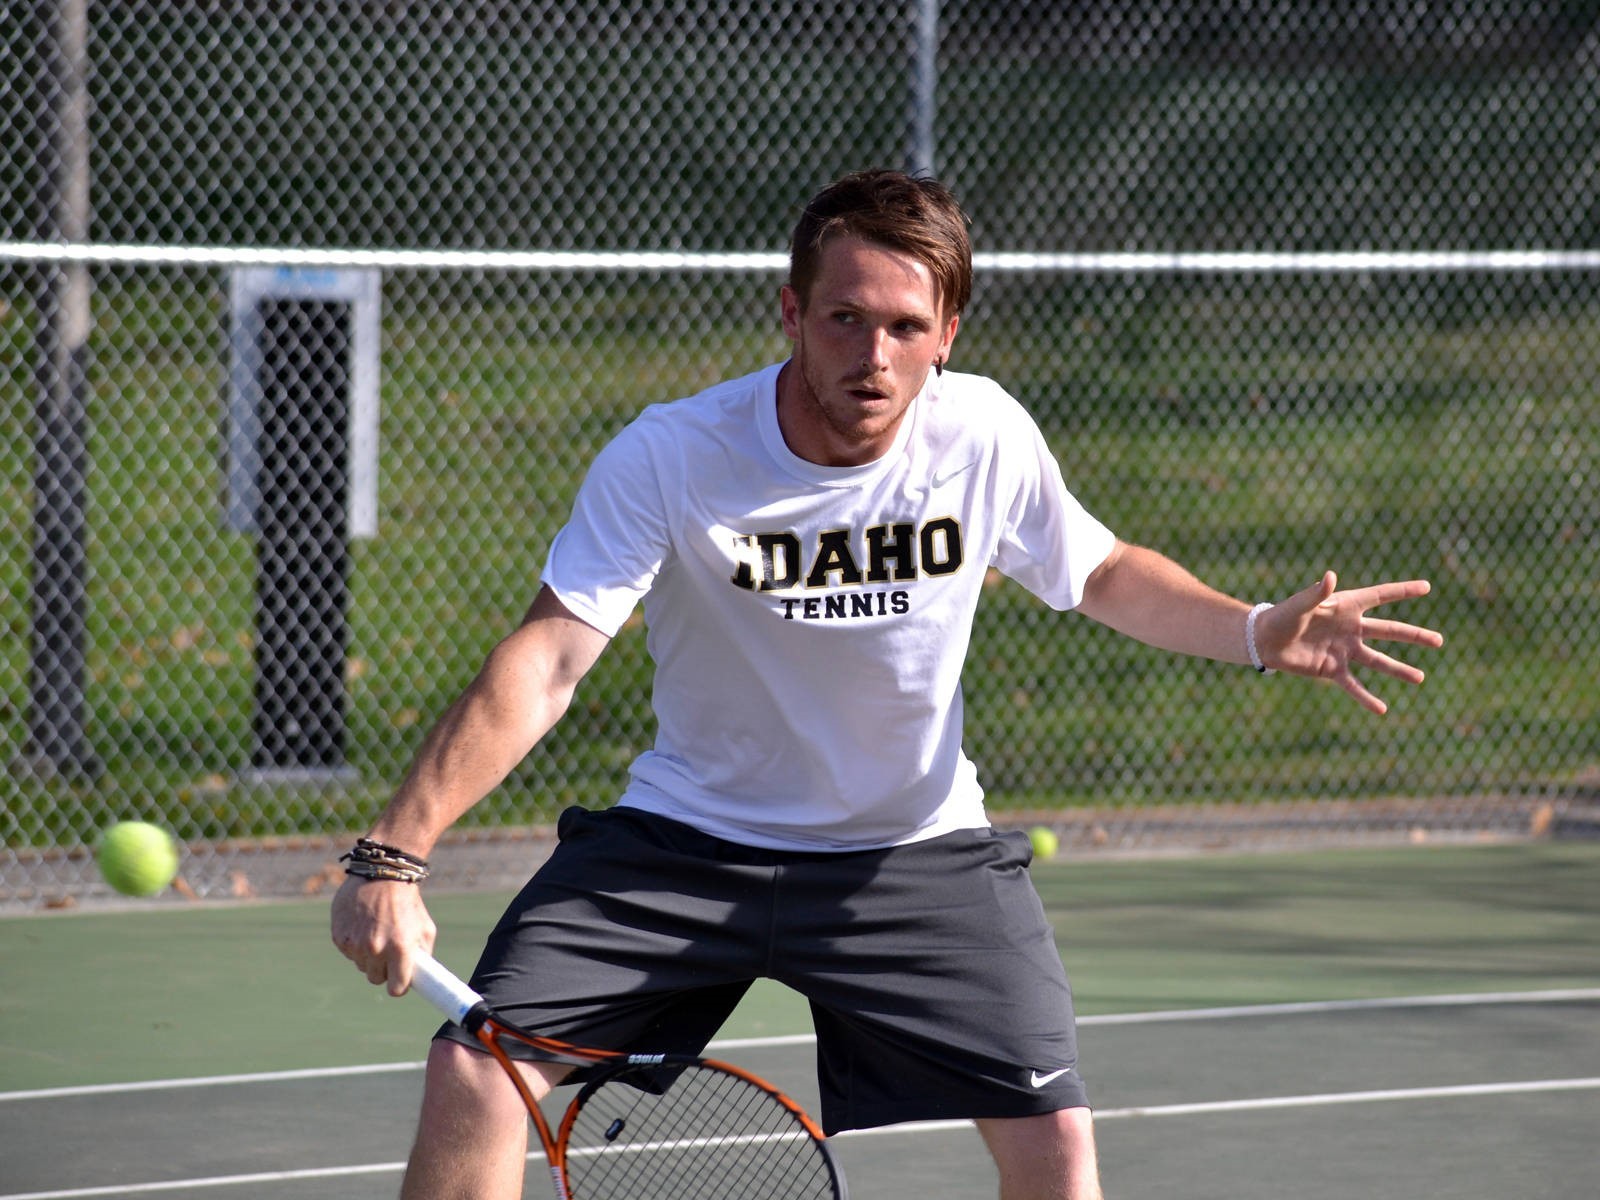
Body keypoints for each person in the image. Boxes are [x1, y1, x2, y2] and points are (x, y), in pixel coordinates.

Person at [331, 169, 1443, 1199]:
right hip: (686, 842)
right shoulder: (671, 456)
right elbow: (547, 658)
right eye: (844, 318)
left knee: (1055, 1140)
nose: (873, 355)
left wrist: (1253, 630)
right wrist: (394, 852)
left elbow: (1098, 571)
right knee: (480, 1068)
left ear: (946, 335)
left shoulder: (983, 435)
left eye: (907, 327)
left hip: (913, 855)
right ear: (789, 314)